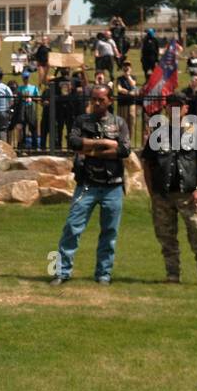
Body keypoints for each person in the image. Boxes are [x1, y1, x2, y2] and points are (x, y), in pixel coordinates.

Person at [50, 86, 130, 286]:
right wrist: (105, 143)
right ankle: (62, 272)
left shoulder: (119, 123)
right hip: (87, 183)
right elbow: (74, 142)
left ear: (110, 100)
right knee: (72, 227)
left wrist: (92, 150)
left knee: (109, 232)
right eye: (94, 99)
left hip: (113, 185)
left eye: (101, 99)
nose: (96, 103)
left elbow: (124, 150)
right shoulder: (81, 121)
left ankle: (104, 274)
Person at [141, 93, 197, 289]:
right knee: (167, 239)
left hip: (189, 195)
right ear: (167, 109)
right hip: (163, 196)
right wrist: (153, 193)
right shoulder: (157, 134)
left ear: (186, 109)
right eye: (171, 106)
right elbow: (148, 164)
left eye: (179, 106)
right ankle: (172, 275)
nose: (175, 110)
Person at [114, 61, 139, 137]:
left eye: (128, 66)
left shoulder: (133, 77)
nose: (126, 67)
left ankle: (129, 139)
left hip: (131, 103)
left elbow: (133, 84)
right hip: (122, 103)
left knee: (131, 121)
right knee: (122, 121)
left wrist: (128, 76)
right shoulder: (119, 79)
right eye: (125, 66)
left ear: (131, 68)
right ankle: (122, 138)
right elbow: (119, 89)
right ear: (122, 68)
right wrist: (129, 92)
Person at [16, 70, 39, 151]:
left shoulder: (33, 88)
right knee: (22, 129)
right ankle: (22, 146)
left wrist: (32, 98)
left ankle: (35, 146)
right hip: (22, 110)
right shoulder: (19, 88)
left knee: (33, 128)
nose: (25, 79)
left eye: (26, 78)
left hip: (31, 109)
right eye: (24, 78)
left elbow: (38, 98)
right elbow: (17, 99)